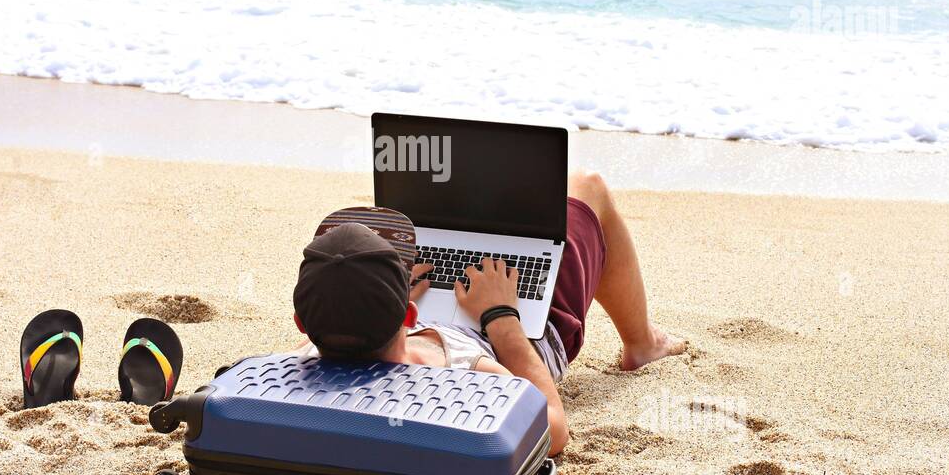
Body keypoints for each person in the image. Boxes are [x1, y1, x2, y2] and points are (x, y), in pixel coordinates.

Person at [291, 170, 685, 455]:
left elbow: (338, 325)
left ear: (303, 326)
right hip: (511, 336)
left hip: (419, 320)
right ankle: (642, 344)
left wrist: (379, 288)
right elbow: (553, 428)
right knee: (588, 186)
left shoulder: (301, 369)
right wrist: (500, 315)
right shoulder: (458, 364)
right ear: (409, 317)